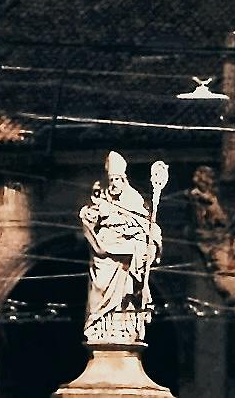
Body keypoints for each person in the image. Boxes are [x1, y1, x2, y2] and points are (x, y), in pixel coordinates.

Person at [79, 155, 165, 362]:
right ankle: (99, 329)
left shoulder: (133, 200)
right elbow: (90, 221)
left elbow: (147, 229)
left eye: (118, 179)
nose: (114, 184)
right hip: (104, 255)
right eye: (111, 180)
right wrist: (87, 218)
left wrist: (149, 242)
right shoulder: (101, 201)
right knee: (98, 291)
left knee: (128, 296)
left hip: (127, 256)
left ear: (124, 180)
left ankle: (125, 330)